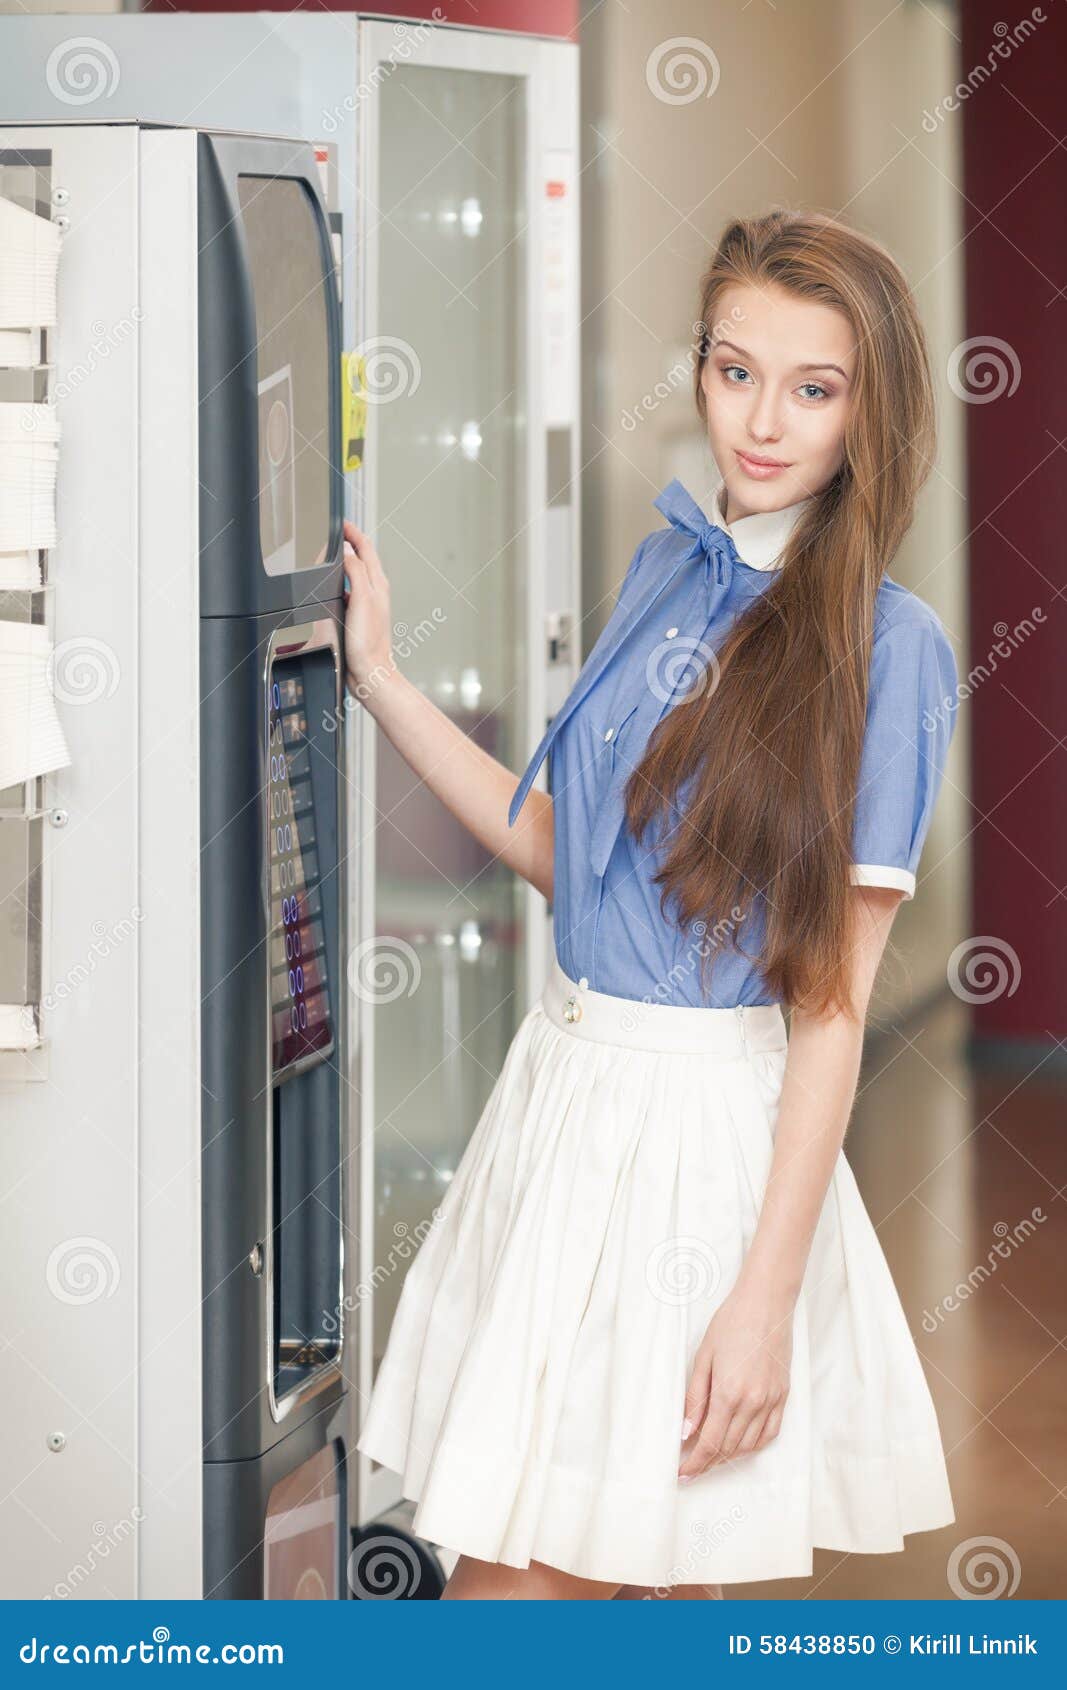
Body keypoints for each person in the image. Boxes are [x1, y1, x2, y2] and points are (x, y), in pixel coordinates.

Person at [344, 209, 960, 1601]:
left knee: (534, 1589)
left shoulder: (890, 651)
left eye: (815, 387)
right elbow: (576, 856)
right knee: (600, 1578)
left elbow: (832, 1005)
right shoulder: (664, 564)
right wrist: (383, 681)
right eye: (735, 369)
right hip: (560, 1100)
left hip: (700, 1151)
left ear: (874, 409)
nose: (762, 420)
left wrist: (763, 1298)